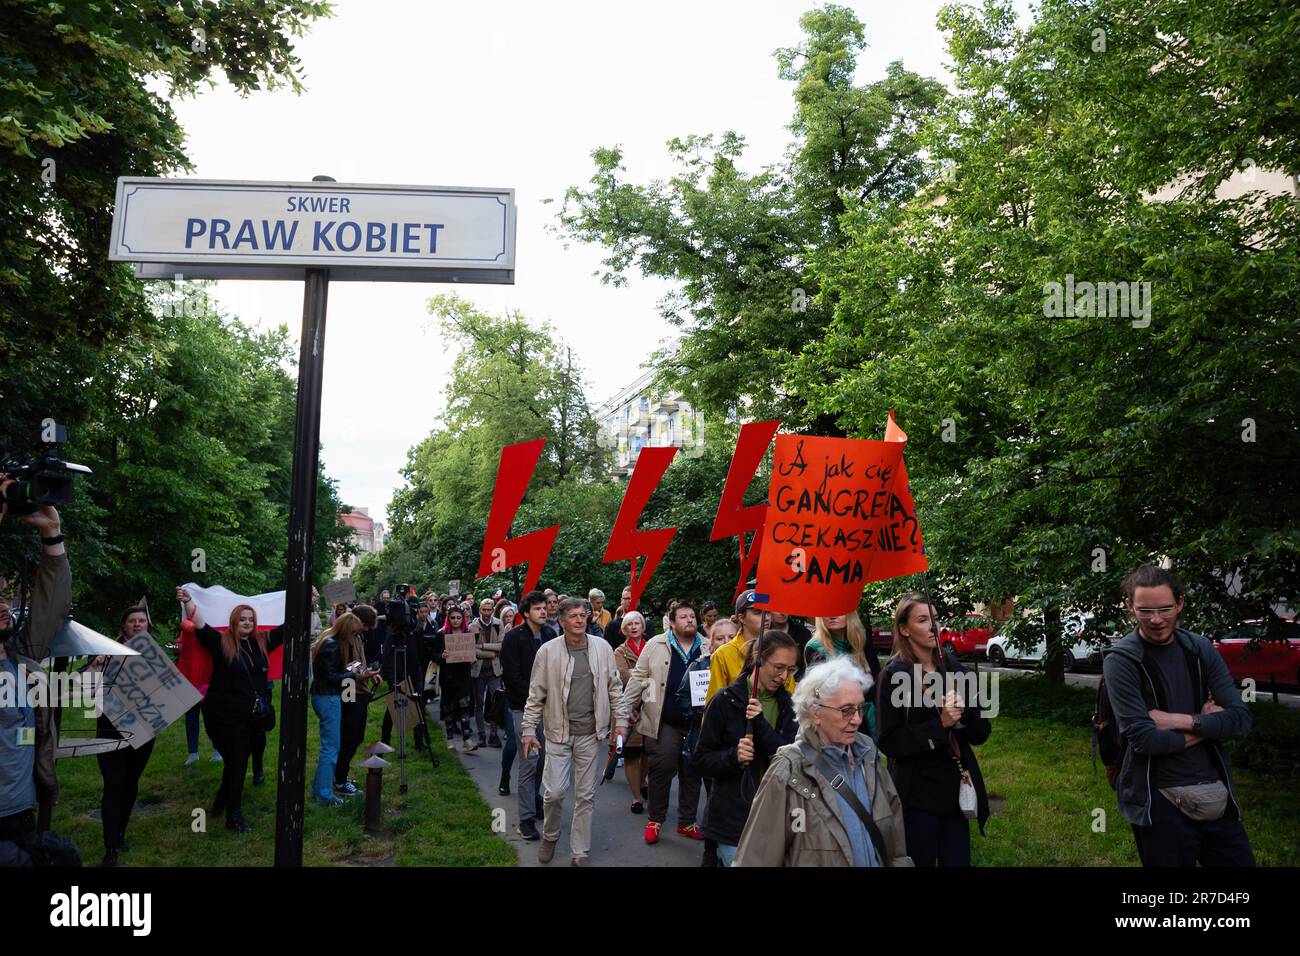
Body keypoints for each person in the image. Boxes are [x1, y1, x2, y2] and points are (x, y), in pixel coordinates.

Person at [1102, 565, 1254, 866]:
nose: (1156, 620)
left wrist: (1179, 720)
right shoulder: (1122, 659)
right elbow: (1144, 740)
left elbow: (1240, 721)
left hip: (1215, 789)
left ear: (1180, 603)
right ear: (1129, 606)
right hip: (1157, 799)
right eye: (1145, 610)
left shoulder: (1199, 648)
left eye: (1165, 609)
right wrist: (1210, 724)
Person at [735, 656, 912, 867]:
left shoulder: (869, 757)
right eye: (846, 710)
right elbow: (756, 858)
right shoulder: (789, 769)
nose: (856, 719)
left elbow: (896, 846)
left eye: (859, 708)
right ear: (816, 713)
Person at [877, 592, 991, 866]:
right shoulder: (893, 676)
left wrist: (963, 715)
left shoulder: (956, 671)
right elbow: (889, 742)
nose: (933, 626)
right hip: (916, 796)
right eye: (922, 619)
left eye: (935, 619)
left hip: (955, 790)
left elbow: (981, 733)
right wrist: (939, 725)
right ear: (904, 629)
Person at [522, 597, 629, 866]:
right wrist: (528, 730)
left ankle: (579, 851)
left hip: (590, 734)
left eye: (583, 615)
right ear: (561, 621)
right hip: (557, 732)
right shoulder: (547, 652)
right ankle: (550, 835)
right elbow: (536, 694)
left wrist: (622, 719)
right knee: (554, 792)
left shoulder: (602, 648)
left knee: (585, 795)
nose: (580, 620)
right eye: (573, 616)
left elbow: (614, 687)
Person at [178, 586, 283, 833]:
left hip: (250, 717)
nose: (247, 623)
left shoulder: (261, 642)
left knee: (236, 762)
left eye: (251, 619)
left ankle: (220, 804)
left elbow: (289, 627)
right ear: (233, 622)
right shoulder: (221, 642)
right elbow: (200, 624)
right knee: (237, 762)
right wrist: (188, 600)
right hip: (222, 716)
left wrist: (307, 602)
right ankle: (233, 817)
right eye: (242, 619)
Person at [695, 629, 800, 866]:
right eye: (778, 667)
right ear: (757, 659)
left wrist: (761, 724)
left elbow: (789, 759)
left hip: (777, 816)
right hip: (733, 818)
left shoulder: (790, 707)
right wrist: (733, 757)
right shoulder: (725, 701)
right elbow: (700, 759)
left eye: (790, 670)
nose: (784, 676)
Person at [0, 499, 68, 851]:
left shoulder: (21, 657)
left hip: (19, 809)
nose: (2, 605)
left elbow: (51, 603)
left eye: (4, 597)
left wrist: (51, 535)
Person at [621, 601, 705, 844]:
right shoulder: (656, 644)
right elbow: (638, 678)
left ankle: (687, 822)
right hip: (663, 720)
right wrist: (624, 714)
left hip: (697, 723)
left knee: (692, 771)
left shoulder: (708, 646)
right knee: (662, 767)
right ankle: (656, 819)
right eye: (683, 617)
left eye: (692, 616)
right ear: (672, 621)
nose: (689, 620)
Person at [91, 606, 158, 866]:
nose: (138, 624)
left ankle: (120, 833)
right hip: (110, 730)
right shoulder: (107, 651)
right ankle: (110, 849)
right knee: (114, 784)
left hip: (143, 730)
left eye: (142, 621)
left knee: (130, 783)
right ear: (124, 625)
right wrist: (96, 665)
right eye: (133, 620)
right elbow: (82, 686)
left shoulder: (153, 655)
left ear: (147, 626)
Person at [678, 614, 735, 866]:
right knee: (714, 796)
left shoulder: (749, 666)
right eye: (719, 638)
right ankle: (712, 852)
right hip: (707, 742)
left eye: (730, 637)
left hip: (736, 744)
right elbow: (681, 698)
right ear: (710, 643)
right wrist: (700, 710)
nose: (724, 642)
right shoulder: (699, 666)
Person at [309, 612, 374, 807]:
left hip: (326, 695)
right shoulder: (332, 645)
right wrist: (352, 675)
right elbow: (331, 677)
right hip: (328, 697)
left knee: (330, 747)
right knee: (331, 748)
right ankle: (324, 795)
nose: (354, 637)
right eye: (353, 633)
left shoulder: (329, 640)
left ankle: (318, 788)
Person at [500, 590, 550, 829]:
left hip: (549, 710)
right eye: (538, 608)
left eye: (545, 607)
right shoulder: (514, 638)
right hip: (522, 707)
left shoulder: (550, 634)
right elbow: (512, 677)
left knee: (543, 760)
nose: (544, 611)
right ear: (526, 612)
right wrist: (537, 696)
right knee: (529, 760)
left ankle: (535, 796)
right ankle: (526, 818)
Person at [708, 590, 793, 701]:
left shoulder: (781, 651)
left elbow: (792, 700)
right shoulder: (723, 654)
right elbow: (713, 704)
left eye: (767, 612)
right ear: (741, 618)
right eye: (758, 612)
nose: (766, 618)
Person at [806, 611, 882, 736]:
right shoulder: (815, 647)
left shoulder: (861, 638)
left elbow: (876, 679)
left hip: (869, 713)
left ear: (850, 612)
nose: (832, 615)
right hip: (838, 716)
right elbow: (819, 693)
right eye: (827, 609)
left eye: (839, 610)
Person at [335, 604, 381, 796]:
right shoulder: (345, 638)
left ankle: (340, 775)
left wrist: (369, 673)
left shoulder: (357, 636)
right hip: (350, 690)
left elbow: (357, 663)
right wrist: (365, 674)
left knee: (356, 736)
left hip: (359, 689)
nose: (368, 629)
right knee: (350, 735)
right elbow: (346, 669)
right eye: (367, 625)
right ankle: (339, 779)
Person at [612, 611, 650, 813]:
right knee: (632, 753)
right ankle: (636, 797)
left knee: (648, 752)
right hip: (630, 709)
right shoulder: (619, 652)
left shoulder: (653, 646)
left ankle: (643, 782)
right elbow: (623, 677)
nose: (634, 627)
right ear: (623, 629)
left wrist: (636, 673)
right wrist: (646, 674)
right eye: (629, 624)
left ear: (643, 627)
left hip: (652, 707)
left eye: (637, 623)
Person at [430, 605, 476, 752]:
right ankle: (450, 739)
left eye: (458, 618)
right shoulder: (441, 634)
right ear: (448, 619)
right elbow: (433, 655)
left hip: (463, 677)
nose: (456, 621)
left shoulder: (467, 633)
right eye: (453, 618)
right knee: (448, 708)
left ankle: (466, 739)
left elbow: (473, 653)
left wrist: (472, 657)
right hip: (447, 677)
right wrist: (441, 657)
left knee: (464, 707)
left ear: (463, 618)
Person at [469, 598, 505, 748]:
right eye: (483, 609)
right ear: (480, 610)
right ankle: (482, 734)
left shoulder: (498, 624)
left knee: (496, 701)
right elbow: (471, 649)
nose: (486, 613)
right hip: (478, 670)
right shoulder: (473, 626)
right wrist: (490, 653)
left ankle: (494, 734)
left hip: (494, 670)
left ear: (492, 610)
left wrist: (482, 646)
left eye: (489, 610)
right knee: (479, 703)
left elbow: (501, 645)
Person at [768, 611, 814, 677]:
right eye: (777, 609)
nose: (782, 613)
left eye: (785, 608)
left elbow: (809, 662)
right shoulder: (762, 630)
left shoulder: (802, 632)